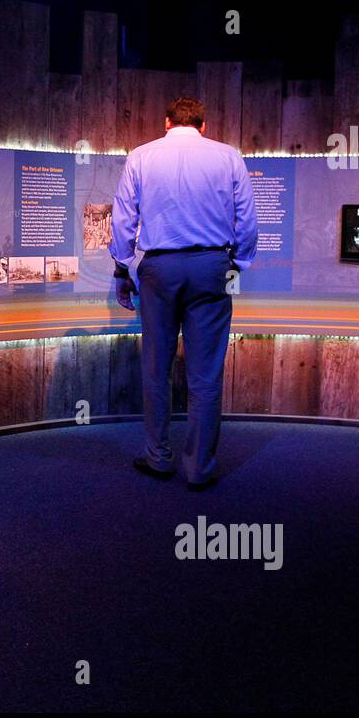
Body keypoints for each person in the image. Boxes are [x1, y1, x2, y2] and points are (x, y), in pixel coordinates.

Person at [109, 97, 258, 490]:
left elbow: (123, 218)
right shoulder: (228, 157)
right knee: (205, 373)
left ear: (166, 122)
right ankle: (198, 469)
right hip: (212, 266)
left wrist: (124, 267)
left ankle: (159, 457)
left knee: (157, 367)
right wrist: (237, 264)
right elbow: (247, 220)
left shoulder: (141, 156)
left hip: (159, 267)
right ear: (204, 126)